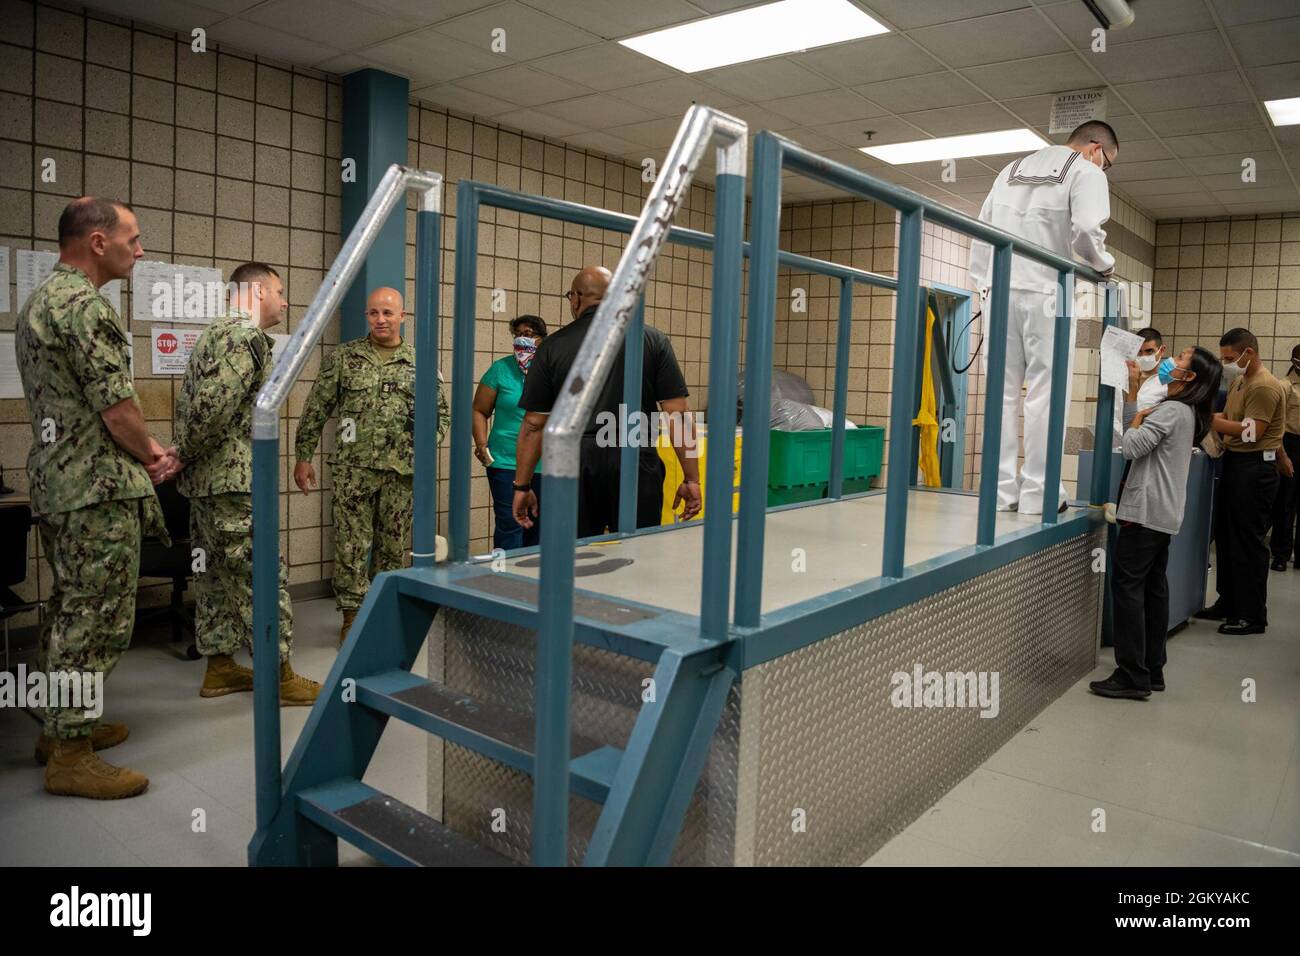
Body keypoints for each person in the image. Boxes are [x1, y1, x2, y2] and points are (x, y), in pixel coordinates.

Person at [17, 197, 173, 798]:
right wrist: (152, 453)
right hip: (95, 489)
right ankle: (71, 755)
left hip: (59, 484)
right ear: (99, 242)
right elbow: (118, 411)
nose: (142, 249)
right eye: (133, 238)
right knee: (95, 619)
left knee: (65, 610)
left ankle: (58, 732)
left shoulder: (38, 302)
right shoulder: (85, 307)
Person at [173, 262, 319, 702]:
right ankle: (279, 674)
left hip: (207, 482)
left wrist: (185, 457)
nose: (285, 300)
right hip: (232, 482)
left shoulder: (214, 332)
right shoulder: (246, 337)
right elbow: (212, 409)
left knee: (215, 575)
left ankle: (219, 668)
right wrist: (182, 452)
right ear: (256, 293)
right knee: (261, 572)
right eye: (279, 290)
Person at [969, 120, 1118, 515]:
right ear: (1096, 149)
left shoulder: (1008, 171)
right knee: (1045, 394)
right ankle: (1039, 494)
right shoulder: (1086, 171)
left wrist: (983, 287)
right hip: (1049, 294)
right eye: (1108, 163)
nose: (1104, 169)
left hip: (999, 290)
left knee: (999, 394)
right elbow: (1086, 228)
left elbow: (981, 232)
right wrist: (1104, 265)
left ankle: (999, 493)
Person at [293, 287, 448, 645]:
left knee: (392, 546)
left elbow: (440, 414)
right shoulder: (345, 357)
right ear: (367, 316)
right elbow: (317, 407)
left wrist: (419, 449)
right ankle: (350, 616)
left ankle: (383, 612)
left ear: (402, 317)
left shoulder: (421, 361)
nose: (381, 319)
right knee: (350, 543)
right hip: (353, 469)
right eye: (374, 313)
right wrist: (304, 455)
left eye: (388, 313)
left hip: (401, 472)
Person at [513, 266, 702, 537]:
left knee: (574, 556)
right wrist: (691, 478)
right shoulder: (652, 340)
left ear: (576, 299)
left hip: (574, 462)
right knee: (639, 555)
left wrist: (522, 486)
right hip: (635, 456)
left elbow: (534, 424)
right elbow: (678, 414)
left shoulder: (552, 346)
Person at [1090, 347, 1221, 700]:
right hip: (1163, 515)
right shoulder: (1186, 412)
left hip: (1144, 513)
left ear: (1189, 376)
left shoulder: (1172, 410)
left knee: (1128, 590)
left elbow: (1132, 447)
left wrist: (1133, 423)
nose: (1170, 362)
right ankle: (1152, 667)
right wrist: (1133, 394)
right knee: (1152, 590)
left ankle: (1132, 675)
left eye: (1179, 359)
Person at [1194, 328, 1293, 635]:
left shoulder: (1264, 386)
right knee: (1226, 536)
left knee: (1248, 542)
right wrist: (1210, 414)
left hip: (1254, 469)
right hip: (1236, 464)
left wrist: (1206, 419)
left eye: (1229, 358)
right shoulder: (1240, 380)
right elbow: (1230, 414)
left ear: (1248, 353)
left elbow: (1252, 432)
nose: (1226, 364)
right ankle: (1228, 601)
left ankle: (1252, 615)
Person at [473, 314, 547, 550]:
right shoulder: (500, 369)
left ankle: (535, 582)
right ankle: (504, 582)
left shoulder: (551, 371)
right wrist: (482, 444)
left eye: (529, 335)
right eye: (517, 335)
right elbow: (479, 410)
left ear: (542, 340)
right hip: (505, 462)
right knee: (510, 524)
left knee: (537, 526)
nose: (522, 340)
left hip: (544, 464)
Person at [1268, 343, 1300, 571]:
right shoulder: (1284, 386)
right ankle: (1280, 554)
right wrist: (1282, 456)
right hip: (1290, 444)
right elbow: (1276, 425)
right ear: (1293, 359)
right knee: (1285, 504)